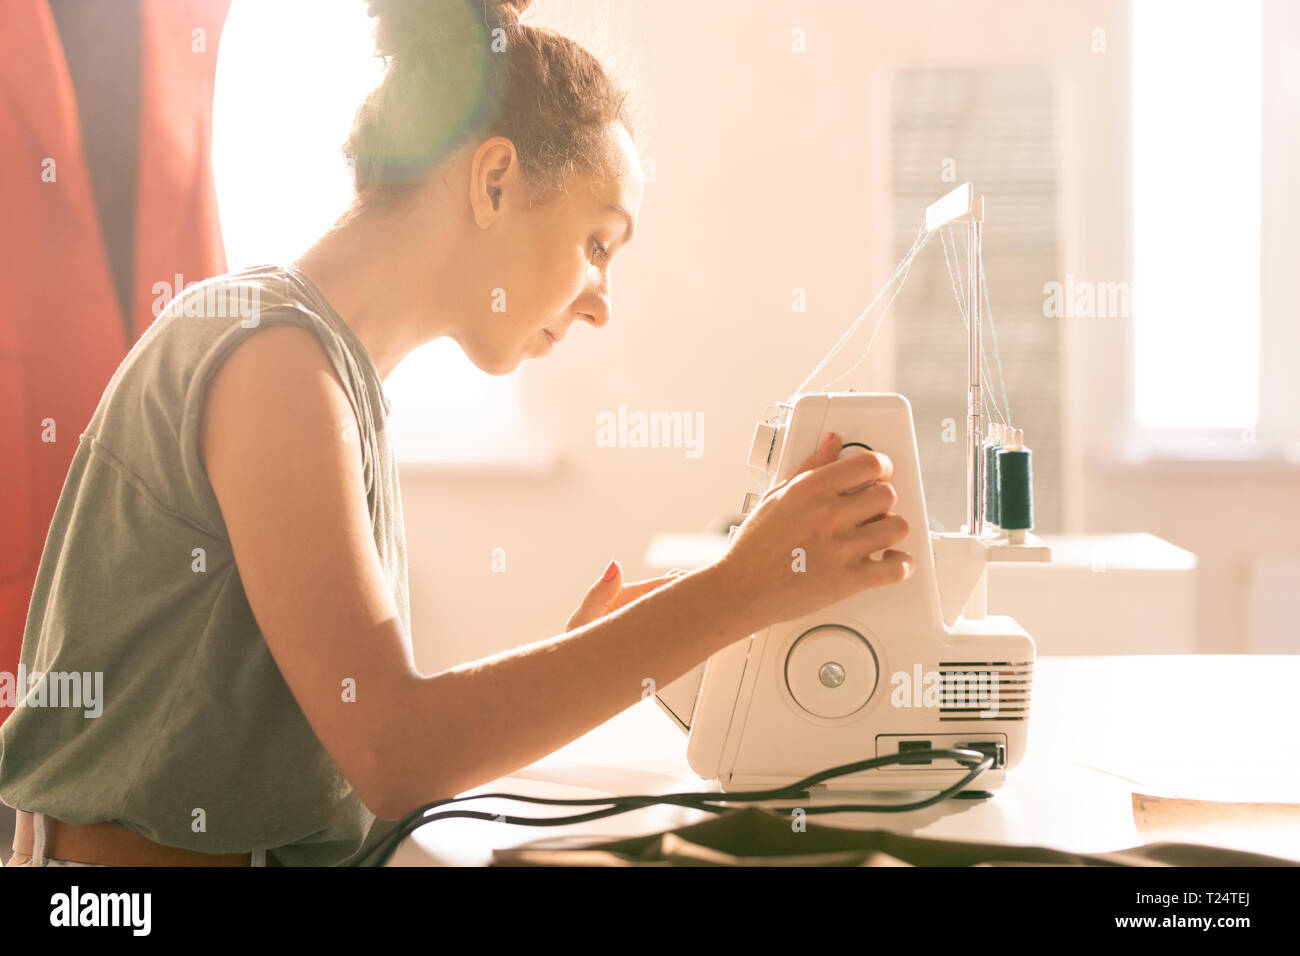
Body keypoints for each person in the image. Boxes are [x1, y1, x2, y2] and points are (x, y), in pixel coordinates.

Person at [0, 0, 912, 867]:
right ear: (494, 180)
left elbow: (374, 736)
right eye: (599, 243)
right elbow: (395, 750)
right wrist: (739, 589)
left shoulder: (322, 372)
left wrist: (589, 654)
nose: (601, 302)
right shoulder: (274, 360)